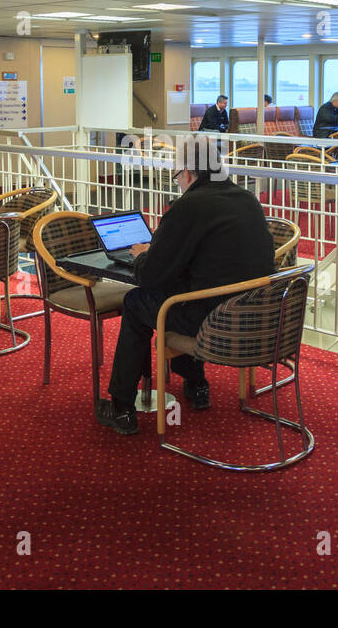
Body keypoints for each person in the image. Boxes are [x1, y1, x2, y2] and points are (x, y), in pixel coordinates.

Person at [95, 134, 277, 435]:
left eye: (177, 174)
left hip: (213, 323)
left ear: (189, 173)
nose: (178, 182)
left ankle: (121, 406)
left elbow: (151, 276)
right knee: (187, 292)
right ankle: (196, 384)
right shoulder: (247, 199)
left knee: (137, 301)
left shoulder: (188, 206)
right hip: (260, 316)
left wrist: (144, 254)